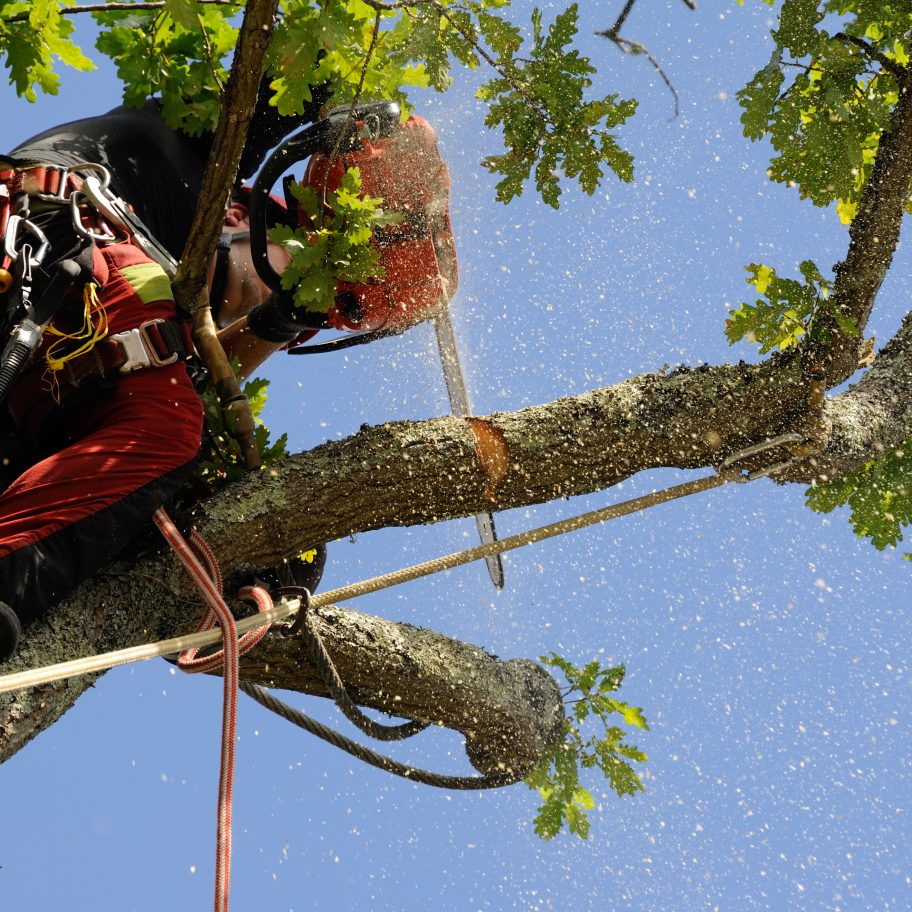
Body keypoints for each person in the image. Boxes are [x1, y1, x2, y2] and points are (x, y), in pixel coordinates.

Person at [0, 95, 322, 661]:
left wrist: (271, 553)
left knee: (168, 445)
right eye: (297, 275)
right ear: (239, 218)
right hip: (43, 238)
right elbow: (286, 82)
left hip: (27, 380)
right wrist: (363, 118)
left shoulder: (160, 339)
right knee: (171, 421)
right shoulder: (181, 154)